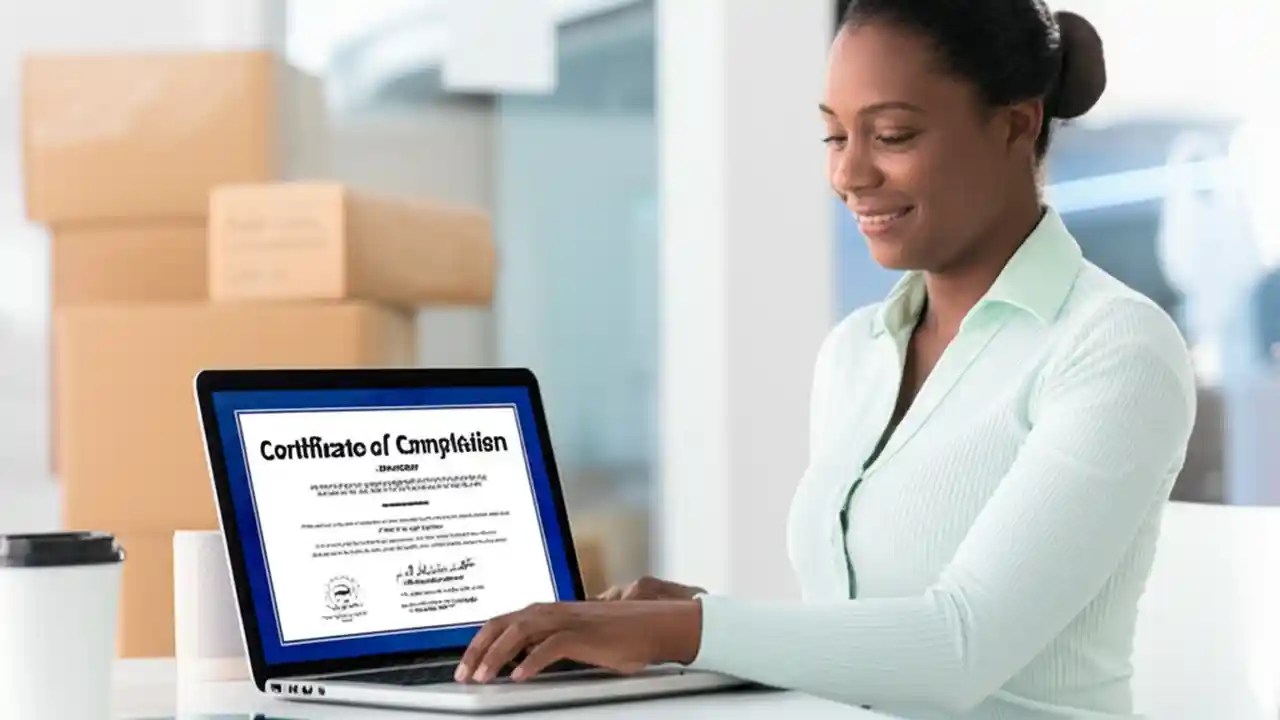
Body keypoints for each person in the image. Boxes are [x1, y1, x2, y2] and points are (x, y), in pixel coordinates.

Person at [455, 1, 1197, 717]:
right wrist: (689, 619)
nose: (850, 175)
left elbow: (958, 648)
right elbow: (861, 640)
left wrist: (682, 631)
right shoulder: (856, 354)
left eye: (894, 135)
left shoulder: (1115, 348)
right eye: (835, 138)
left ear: (1014, 123)